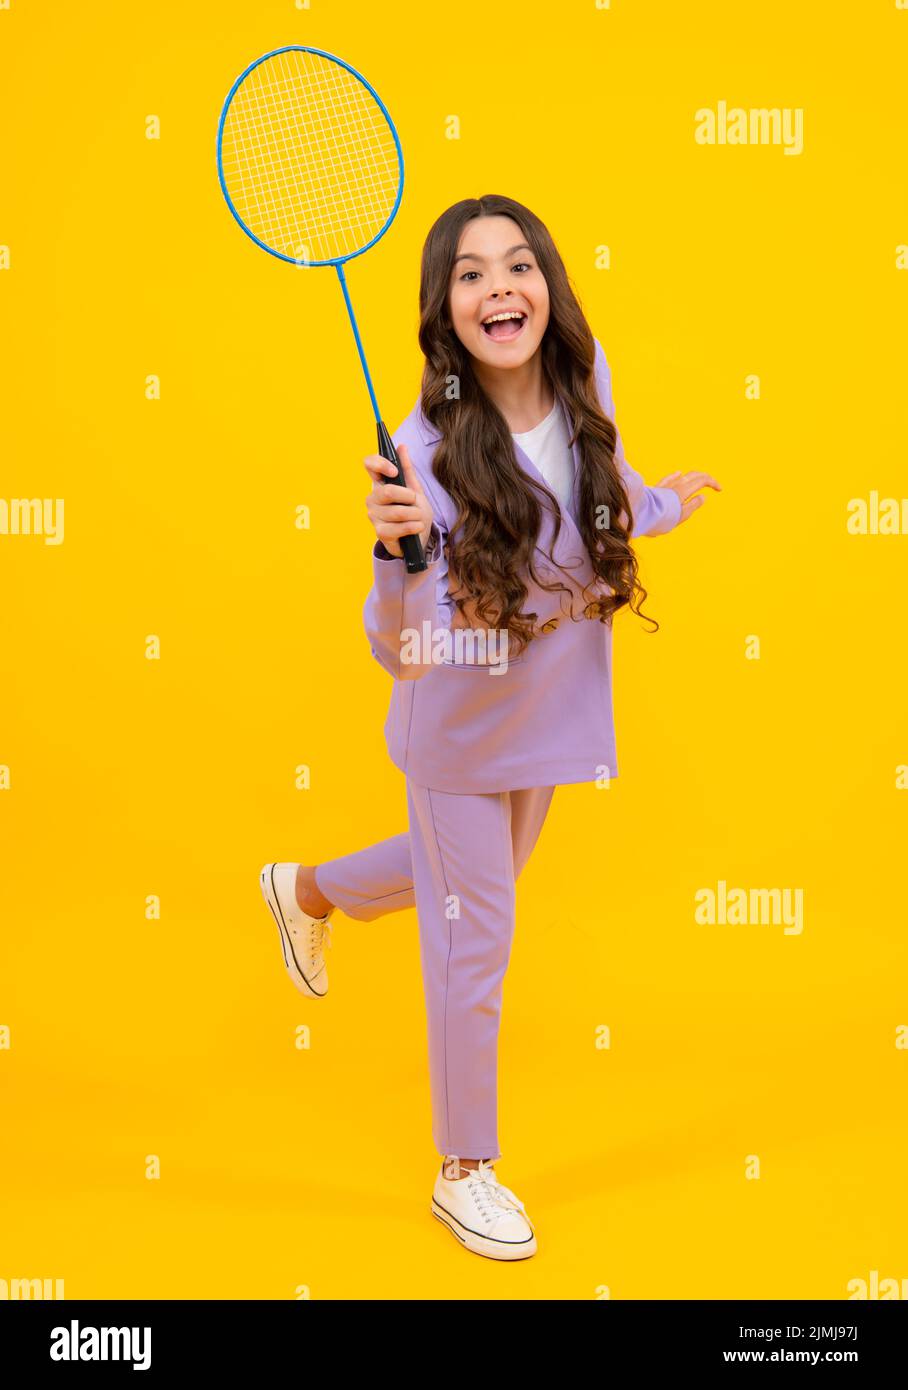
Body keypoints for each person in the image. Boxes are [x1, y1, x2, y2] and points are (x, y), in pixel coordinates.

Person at [260, 194, 720, 1261]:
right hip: (460, 727)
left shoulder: (584, 379)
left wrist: (658, 506)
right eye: (471, 273)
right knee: (478, 938)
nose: (500, 287)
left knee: (472, 888)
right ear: (446, 309)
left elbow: (598, 496)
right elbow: (402, 648)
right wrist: (393, 558)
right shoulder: (419, 454)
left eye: (518, 264)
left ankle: (306, 889)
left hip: (548, 706)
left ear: (547, 287)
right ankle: (462, 1169)